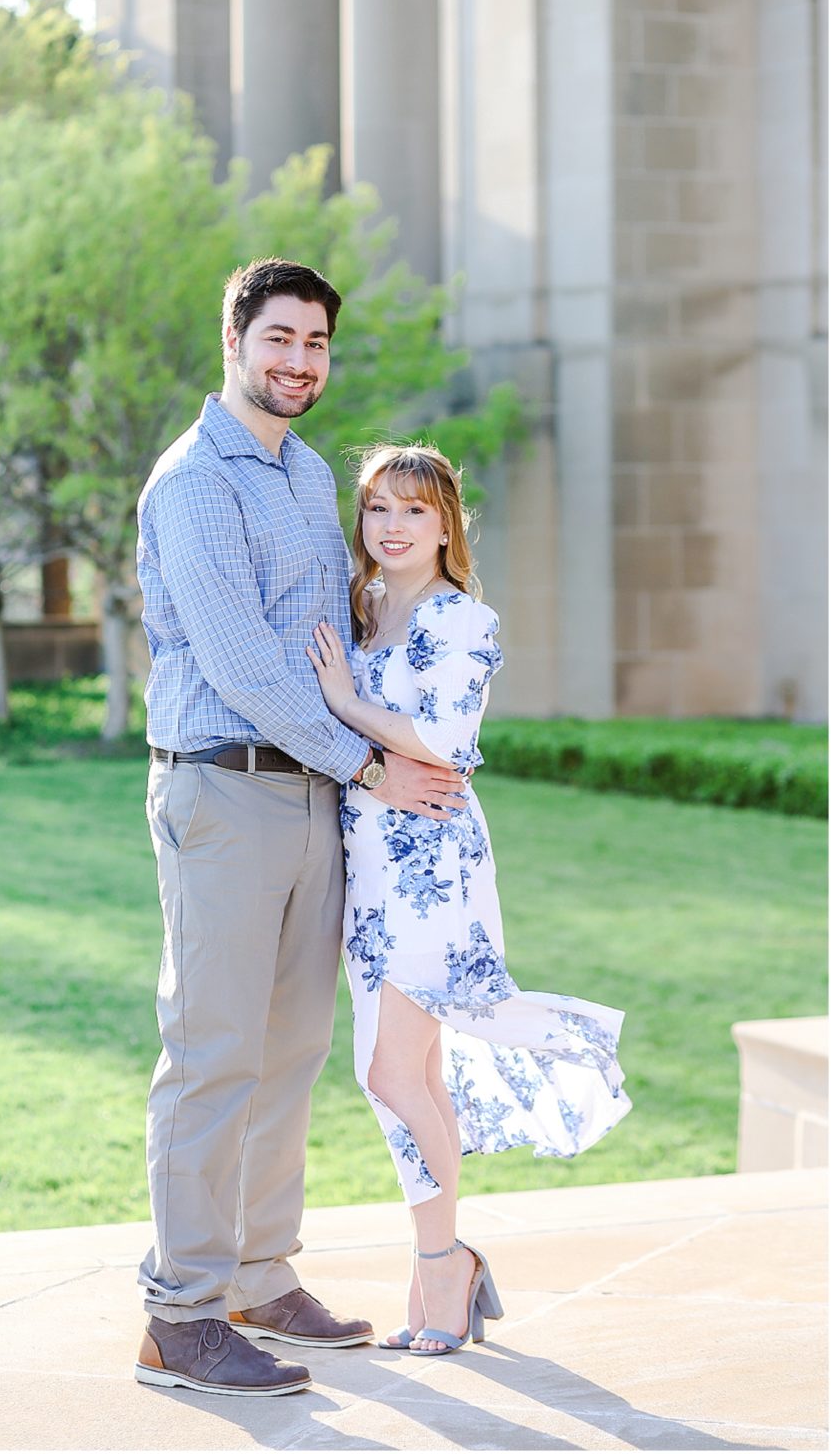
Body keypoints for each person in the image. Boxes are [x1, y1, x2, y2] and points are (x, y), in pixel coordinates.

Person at [132, 260, 470, 1398]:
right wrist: (373, 762)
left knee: (291, 1054)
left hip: (317, 795)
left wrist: (420, 722)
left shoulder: (308, 469)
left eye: (316, 344)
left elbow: (334, 647)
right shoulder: (193, 483)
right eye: (279, 338)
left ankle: (258, 1275)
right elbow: (242, 664)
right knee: (214, 1053)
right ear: (235, 339)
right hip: (222, 788)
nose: (298, 362)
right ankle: (179, 1315)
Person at [306, 443, 632, 1355]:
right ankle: (439, 1261)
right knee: (400, 1077)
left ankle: (444, 1265)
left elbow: (444, 741)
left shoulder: (464, 621)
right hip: (366, 858)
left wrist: (343, 699)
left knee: (392, 1073)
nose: (394, 527)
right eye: (377, 509)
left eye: (414, 510)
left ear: (446, 523)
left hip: (432, 860)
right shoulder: (363, 608)